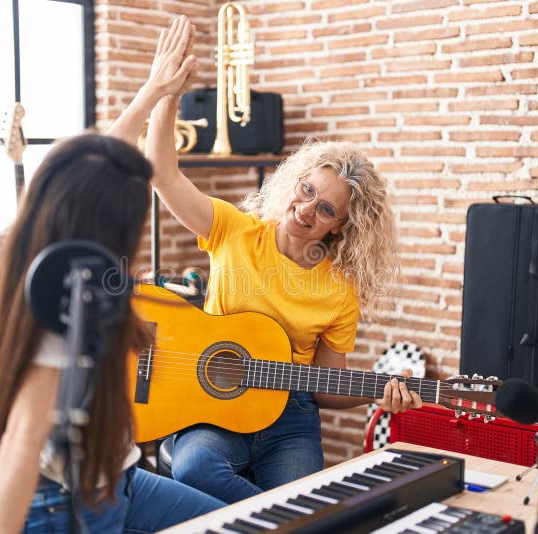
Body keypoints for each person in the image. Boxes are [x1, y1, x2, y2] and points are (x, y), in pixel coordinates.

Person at [143, 16, 423, 505]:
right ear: (295, 179)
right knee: (194, 466)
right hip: (213, 404)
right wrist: (166, 93)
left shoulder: (339, 291)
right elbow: (163, 174)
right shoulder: (232, 230)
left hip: (289, 415)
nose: (306, 209)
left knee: (305, 504)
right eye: (307, 189)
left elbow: (325, 387)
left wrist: (376, 390)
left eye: (326, 209)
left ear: (342, 226)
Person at [0, 16, 224, 533]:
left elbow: (92, 169)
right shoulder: (53, 290)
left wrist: (157, 91)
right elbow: (25, 433)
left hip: (122, 475)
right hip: (68, 499)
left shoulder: (33, 237)